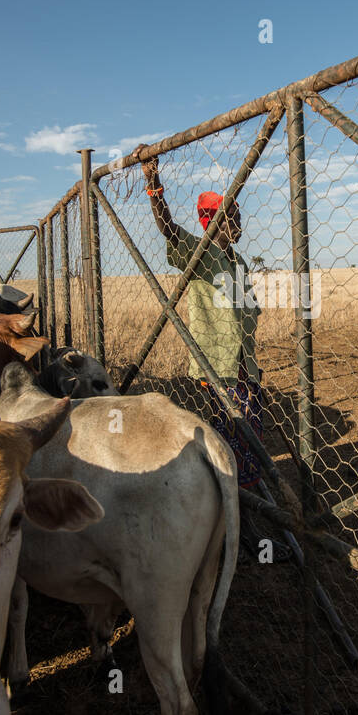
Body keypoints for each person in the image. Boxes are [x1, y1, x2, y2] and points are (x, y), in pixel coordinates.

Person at [137, 145, 264, 489]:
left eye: (238, 215)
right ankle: (235, 496)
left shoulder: (238, 262)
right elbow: (169, 229)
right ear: (217, 221)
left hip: (244, 364)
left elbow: (251, 310)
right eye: (234, 217)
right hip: (218, 364)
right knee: (232, 434)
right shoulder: (201, 255)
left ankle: (247, 493)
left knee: (251, 433)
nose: (239, 223)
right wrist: (153, 183)